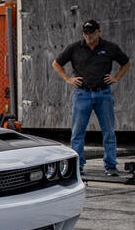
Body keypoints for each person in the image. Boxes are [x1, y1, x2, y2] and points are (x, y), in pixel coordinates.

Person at [51, 20, 130, 176]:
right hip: (82, 94)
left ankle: (111, 166)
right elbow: (56, 63)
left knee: (108, 131)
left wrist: (116, 77)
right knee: (78, 132)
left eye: (92, 33)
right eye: (86, 33)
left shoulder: (110, 48)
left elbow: (126, 63)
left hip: (103, 94)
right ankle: (78, 166)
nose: (89, 37)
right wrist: (68, 79)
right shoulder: (75, 48)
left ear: (99, 32)